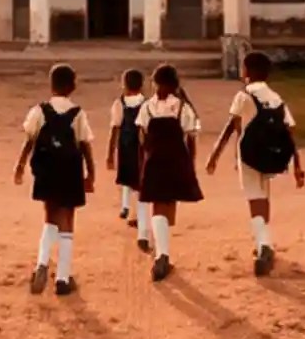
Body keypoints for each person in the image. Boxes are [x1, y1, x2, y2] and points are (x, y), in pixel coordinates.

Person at [206, 50, 305, 277]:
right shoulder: (276, 98)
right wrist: (297, 165)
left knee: (254, 201)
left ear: (247, 71)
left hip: (249, 156)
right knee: (264, 198)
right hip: (272, 156)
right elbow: (290, 131)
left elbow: (231, 126)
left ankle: (263, 248)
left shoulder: (244, 95)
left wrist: (215, 155)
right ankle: (265, 241)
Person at [13, 63, 95, 296]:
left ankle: (41, 263)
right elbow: (85, 145)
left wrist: (19, 166)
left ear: (51, 85)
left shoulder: (39, 111)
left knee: (50, 217)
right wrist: (91, 174)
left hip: (47, 170)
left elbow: (29, 140)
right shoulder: (78, 113)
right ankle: (62, 277)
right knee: (67, 220)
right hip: (70, 171)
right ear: (72, 87)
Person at [136, 64, 204, 281]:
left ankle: (162, 254)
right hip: (176, 159)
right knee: (168, 204)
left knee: (157, 205)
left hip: (155, 159)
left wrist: (146, 156)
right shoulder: (183, 107)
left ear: (155, 83)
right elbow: (191, 137)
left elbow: (142, 136)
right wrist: (190, 164)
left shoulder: (147, 107)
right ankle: (163, 253)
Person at [105, 68, 150, 251]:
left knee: (128, 180)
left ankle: (126, 208)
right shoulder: (147, 104)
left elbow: (114, 128)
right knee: (141, 188)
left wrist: (110, 153)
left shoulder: (119, 104)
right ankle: (143, 233)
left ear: (124, 86)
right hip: (142, 150)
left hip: (125, 148)